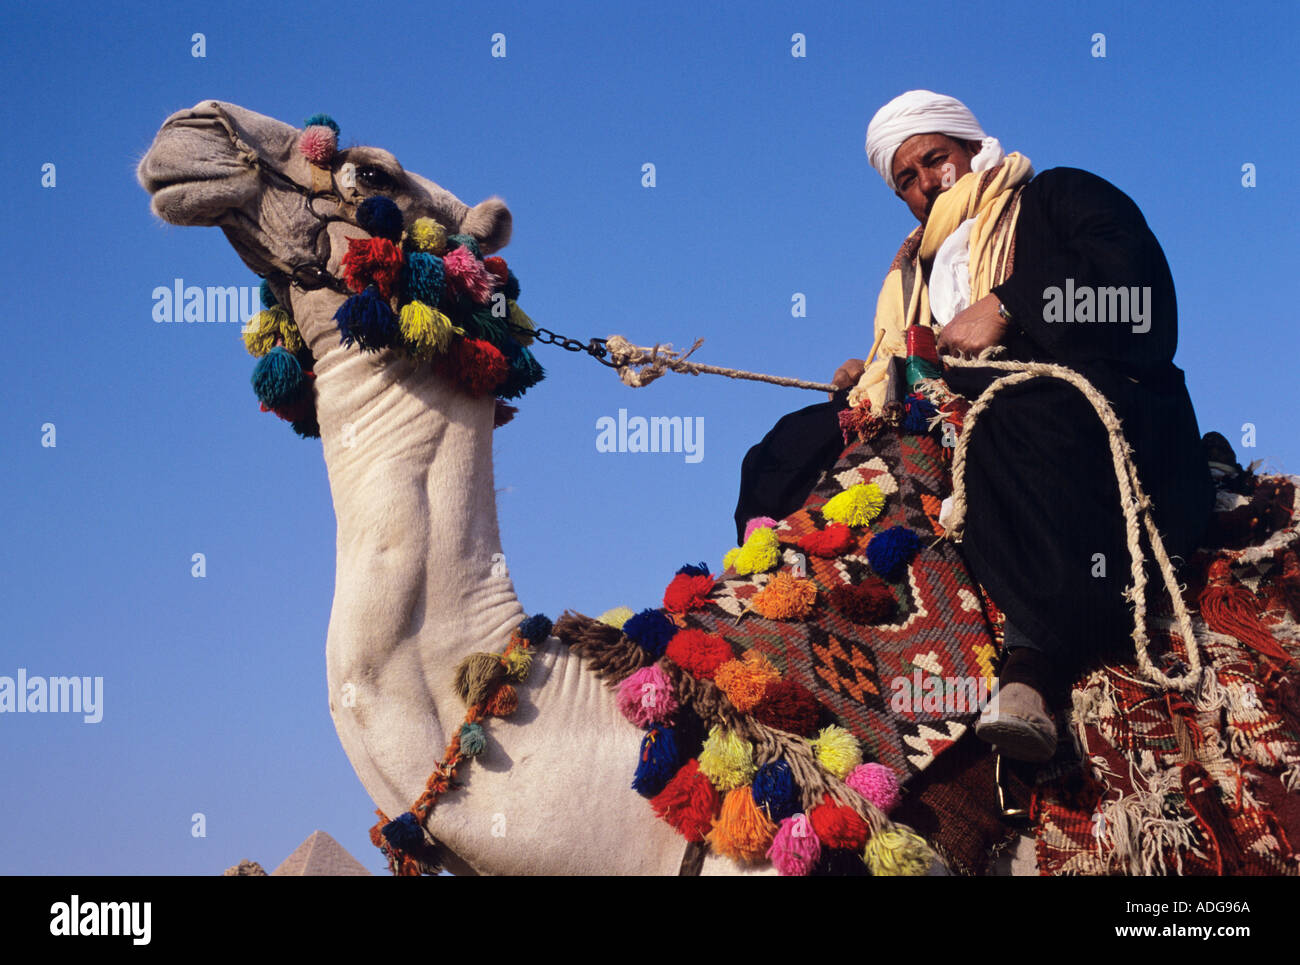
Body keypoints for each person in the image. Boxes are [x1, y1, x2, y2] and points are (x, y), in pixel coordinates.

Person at [736, 90, 1213, 762]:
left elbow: (1135, 289)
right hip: (949, 409)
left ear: (968, 147)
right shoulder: (912, 274)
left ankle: (1035, 665)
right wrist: (876, 371)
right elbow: (911, 363)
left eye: (935, 159)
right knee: (791, 441)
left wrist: (1009, 305)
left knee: (1014, 412)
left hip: (1081, 409)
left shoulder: (1054, 196)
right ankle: (772, 608)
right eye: (907, 177)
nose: (927, 182)